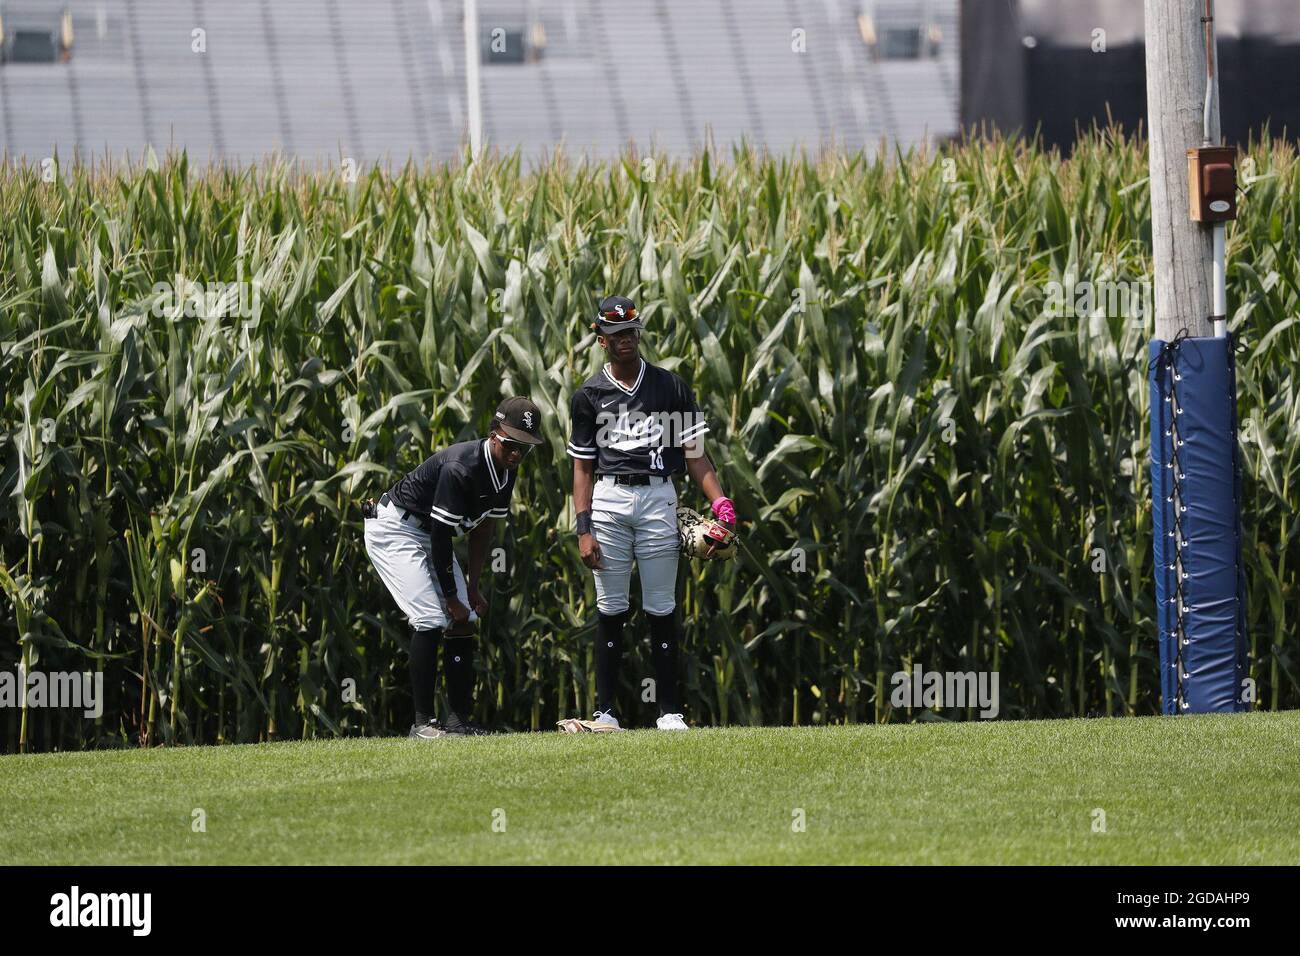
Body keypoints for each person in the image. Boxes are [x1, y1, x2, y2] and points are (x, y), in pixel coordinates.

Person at [565, 295, 736, 731]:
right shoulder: (589, 395)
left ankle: (670, 711)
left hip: (660, 497)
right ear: (601, 339)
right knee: (611, 607)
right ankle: (605, 712)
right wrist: (582, 528)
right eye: (615, 333)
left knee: (662, 608)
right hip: (608, 500)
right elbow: (582, 467)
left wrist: (720, 502)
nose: (625, 339)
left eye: (631, 331)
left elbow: (695, 455)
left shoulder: (668, 386)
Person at [364, 397, 544, 738]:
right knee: (431, 618)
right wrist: (451, 597)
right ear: (493, 435)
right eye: (512, 445)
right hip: (397, 530)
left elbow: (483, 529)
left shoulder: (506, 472)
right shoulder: (460, 467)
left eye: (526, 448)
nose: (518, 454)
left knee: (466, 620)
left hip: (428, 535)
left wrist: (472, 588)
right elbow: (442, 538)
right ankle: (422, 724)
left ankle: (458, 722)